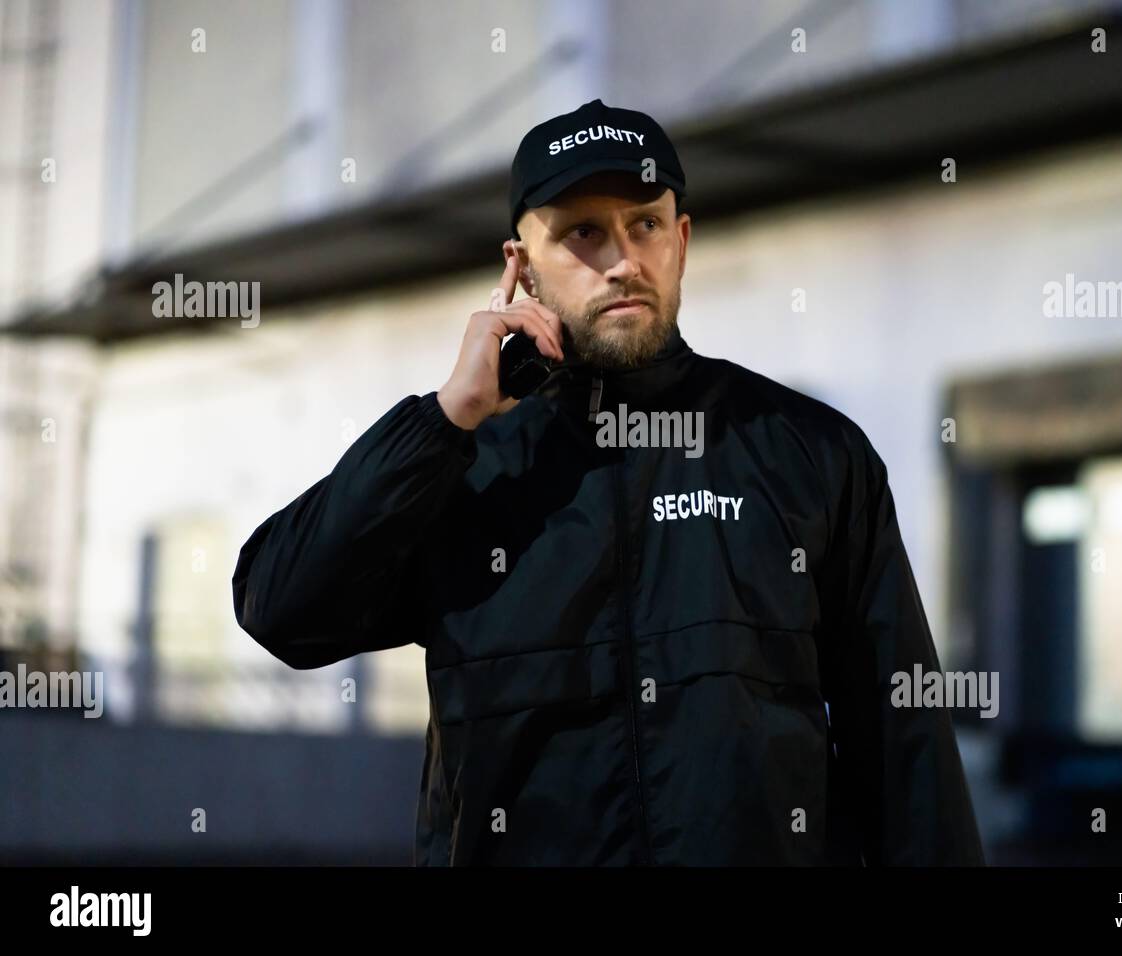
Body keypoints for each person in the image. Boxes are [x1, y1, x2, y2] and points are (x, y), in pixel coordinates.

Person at [232, 98, 985, 866]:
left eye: (644, 225)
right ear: (518, 267)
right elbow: (281, 610)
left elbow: (905, 746)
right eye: (582, 233)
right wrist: (446, 416)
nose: (623, 260)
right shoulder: (463, 466)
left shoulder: (808, 452)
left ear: (682, 242)